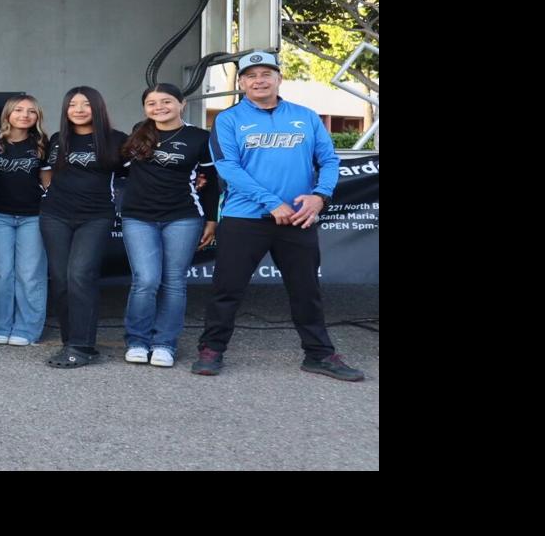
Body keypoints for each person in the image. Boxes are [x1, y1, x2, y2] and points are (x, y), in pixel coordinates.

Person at [192, 51, 363, 381]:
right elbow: (228, 168)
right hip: (245, 219)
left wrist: (319, 197)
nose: (259, 80)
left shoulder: (306, 116)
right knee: (227, 289)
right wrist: (271, 202)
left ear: (279, 78)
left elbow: (328, 161)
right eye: (251, 75)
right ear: (241, 82)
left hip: (298, 219)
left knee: (306, 290)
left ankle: (318, 354)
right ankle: (212, 349)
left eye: (266, 74)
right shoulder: (228, 120)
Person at [118, 83, 220, 367]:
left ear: (181, 104)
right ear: (145, 108)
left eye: (166, 102)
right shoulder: (138, 133)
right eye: (151, 103)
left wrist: (212, 219)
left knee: (174, 282)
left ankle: (165, 343)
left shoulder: (200, 137)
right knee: (146, 280)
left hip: (183, 216)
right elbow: (117, 168)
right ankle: (137, 341)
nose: (159, 108)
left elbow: (210, 182)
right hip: (138, 217)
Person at [38, 86, 126, 368]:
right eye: (72, 104)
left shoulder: (116, 140)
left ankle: (82, 345)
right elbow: (47, 171)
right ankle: (71, 342)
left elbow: (140, 172)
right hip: (55, 216)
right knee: (61, 279)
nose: (78, 109)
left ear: (97, 108)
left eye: (85, 104)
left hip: (95, 217)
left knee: (80, 275)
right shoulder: (57, 139)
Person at [0, 94, 50, 347]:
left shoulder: (42, 143)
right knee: (0, 272)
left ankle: (27, 328)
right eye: (19, 110)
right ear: (8, 114)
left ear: (38, 117)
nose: (25, 115)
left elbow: (47, 182)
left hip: (33, 216)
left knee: (30, 274)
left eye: (31, 111)